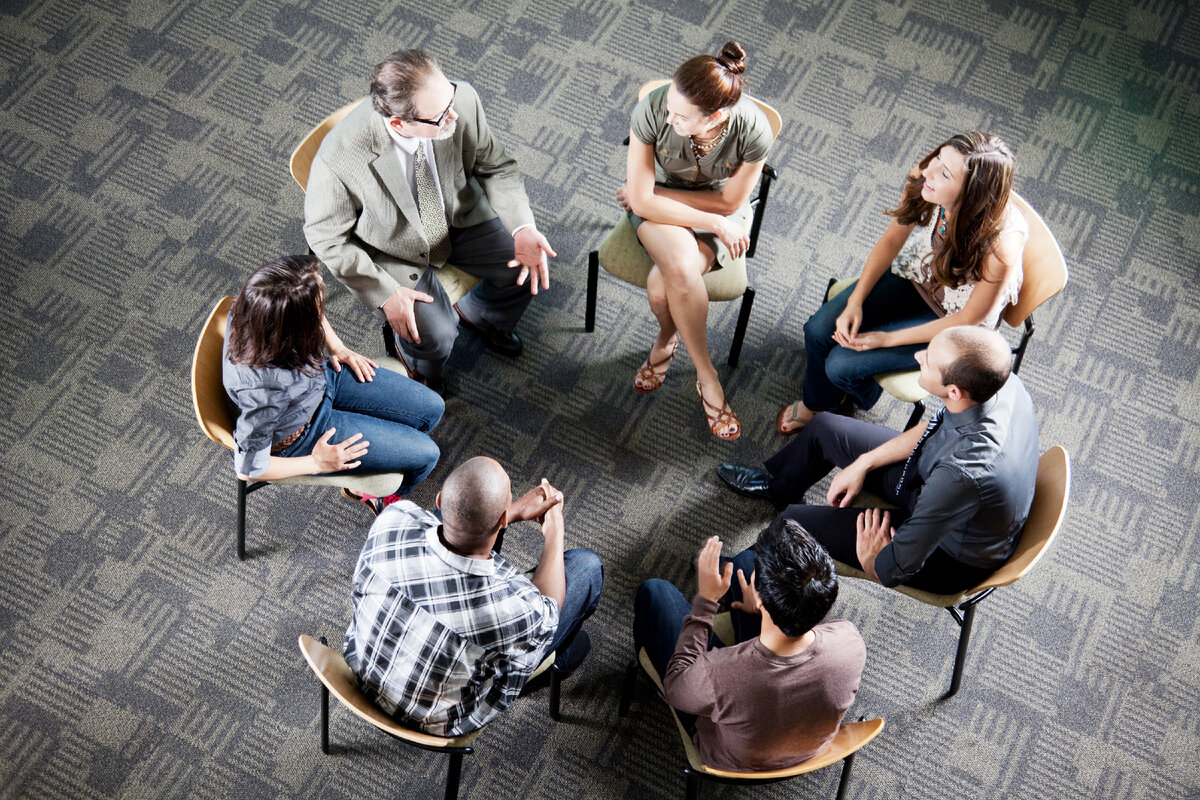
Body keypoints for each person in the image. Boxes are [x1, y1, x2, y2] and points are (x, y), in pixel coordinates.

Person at [304, 49, 556, 392]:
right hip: (392, 247)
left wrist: (523, 228)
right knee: (434, 335)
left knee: (526, 267)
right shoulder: (339, 159)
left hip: (457, 216)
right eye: (440, 116)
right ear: (398, 124)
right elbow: (325, 238)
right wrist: (384, 293)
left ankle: (482, 314)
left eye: (450, 101)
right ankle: (420, 366)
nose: (453, 115)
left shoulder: (459, 100)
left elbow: (497, 168)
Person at [718, 326, 1038, 594]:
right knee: (824, 427)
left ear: (954, 391)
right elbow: (937, 426)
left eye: (927, 361)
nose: (918, 356)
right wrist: (865, 462)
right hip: (939, 481)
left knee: (790, 524)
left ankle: (738, 583)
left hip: (949, 553)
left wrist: (872, 558)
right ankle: (781, 488)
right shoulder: (998, 380)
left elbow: (893, 569)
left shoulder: (963, 475)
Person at [776, 131, 1026, 434]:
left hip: (953, 322)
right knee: (817, 331)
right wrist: (855, 301)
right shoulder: (926, 179)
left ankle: (846, 396)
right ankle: (822, 404)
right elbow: (892, 240)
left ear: (970, 195)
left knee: (839, 365)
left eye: (944, 173)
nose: (928, 172)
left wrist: (886, 339)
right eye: (937, 157)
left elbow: (967, 319)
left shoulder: (1000, 249)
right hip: (916, 276)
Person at [343, 457, 603, 736]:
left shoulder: (393, 520)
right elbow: (548, 608)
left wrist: (510, 513)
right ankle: (557, 663)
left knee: (457, 526)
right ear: (501, 520)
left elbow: (441, 524)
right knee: (586, 568)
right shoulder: (515, 610)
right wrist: (554, 528)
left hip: (363, 674)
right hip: (435, 721)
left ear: (440, 501)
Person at [617, 41, 773, 440]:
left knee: (660, 287)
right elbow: (643, 201)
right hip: (669, 214)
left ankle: (667, 340)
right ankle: (708, 377)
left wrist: (649, 195)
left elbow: (730, 201)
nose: (669, 121)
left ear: (716, 116)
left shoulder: (752, 129)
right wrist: (649, 200)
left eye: (682, 117)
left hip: (713, 210)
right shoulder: (652, 110)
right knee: (681, 269)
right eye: (669, 107)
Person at [633, 520, 865, 772]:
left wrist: (706, 601)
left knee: (655, 592)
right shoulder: (850, 640)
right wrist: (764, 614)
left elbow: (676, 689)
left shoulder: (719, 672)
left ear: (762, 598)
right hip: (808, 745)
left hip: (732, 756)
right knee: (744, 561)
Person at [222, 255, 443, 508]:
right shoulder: (263, 393)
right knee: (427, 455)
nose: (323, 309)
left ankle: (391, 445)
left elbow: (311, 311)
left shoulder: (259, 305)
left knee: (433, 409)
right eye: (317, 308)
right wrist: (316, 463)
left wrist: (338, 347)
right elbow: (248, 468)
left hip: (319, 378)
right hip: (304, 431)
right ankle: (374, 494)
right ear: (298, 327)